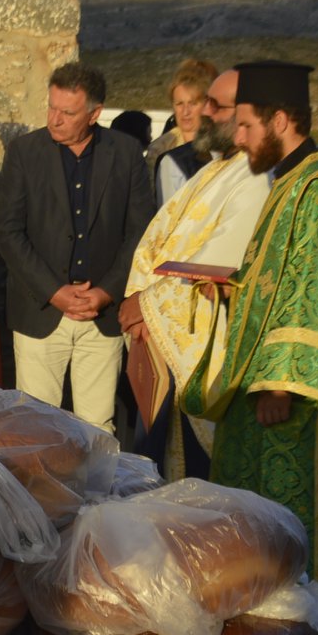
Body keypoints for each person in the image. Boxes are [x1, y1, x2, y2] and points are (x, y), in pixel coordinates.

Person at [179, 61, 318, 612]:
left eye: (248, 125)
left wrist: (281, 385)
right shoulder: (291, 182)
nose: (239, 136)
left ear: (281, 120)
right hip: (265, 384)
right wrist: (235, 290)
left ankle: (306, 626)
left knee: (293, 518)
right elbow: (283, 277)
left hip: (292, 399)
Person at [120, 67, 270, 480]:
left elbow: (219, 266)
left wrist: (145, 303)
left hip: (203, 348)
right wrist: (140, 300)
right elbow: (159, 239)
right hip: (167, 334)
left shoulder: (256, 179)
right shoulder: (216, 169)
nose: (204, 112)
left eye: (215, 105)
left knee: (198, 477)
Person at [0, 63, 155, 432]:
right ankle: (37, 493)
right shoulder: (24, 152)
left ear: (95, 113)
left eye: (67, 113)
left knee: (98, 428)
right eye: (51, 107)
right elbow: (8, 231)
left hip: (101, 317)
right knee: (35, 427)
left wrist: (106, 292)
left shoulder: (126, 153)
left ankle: (96, 492)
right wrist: (54, 292)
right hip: (41, 312)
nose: (55, 120)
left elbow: (140, 231)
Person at [145, 57, 217, 204]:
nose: (185, 112)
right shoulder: (159, 149)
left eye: (192, 103)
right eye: (179, 104)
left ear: (207, 105)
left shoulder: (220, 145)